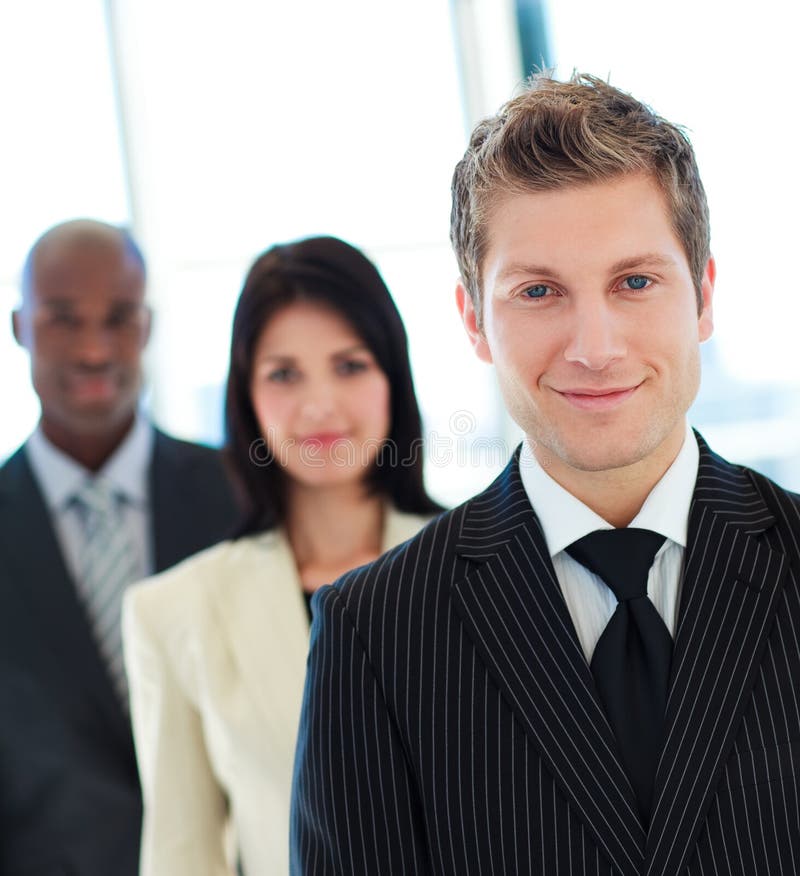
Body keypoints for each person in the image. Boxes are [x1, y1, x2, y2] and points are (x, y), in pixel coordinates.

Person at [291, 73, 800, 875]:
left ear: (702, 297)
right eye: (538, 291)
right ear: (473, 320)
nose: (594, 346)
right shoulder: (376, 635)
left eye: (635, 282)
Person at [122, 235, 443, 875]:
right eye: (284, 373)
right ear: (246, 397)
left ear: (392, 379)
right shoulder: (176, 611)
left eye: (349, 365)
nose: (319, 404)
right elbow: (182, 858)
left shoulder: (488, 564)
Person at [0, 219, 237, 876]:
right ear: (20, 326)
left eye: (119, 318)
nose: (95, 350)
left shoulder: (243, 497)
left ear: (148, 327)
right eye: (64, 319)